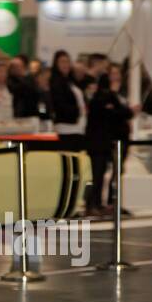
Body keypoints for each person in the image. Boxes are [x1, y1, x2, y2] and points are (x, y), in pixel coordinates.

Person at [83, 70, 134, 216]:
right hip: (101, 142)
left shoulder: (99, 98)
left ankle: (97, 204)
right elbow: (124, 113)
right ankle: (95, 204)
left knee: (99, 175)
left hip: (101, 141)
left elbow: (122, 113)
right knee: (99, 174)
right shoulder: (106, 97)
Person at [48, 49, 87, 146]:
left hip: (77, 125)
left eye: (68, 61)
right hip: (66, 127)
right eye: (62, 62)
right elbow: (59, 104)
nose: (66, 64)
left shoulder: (70, 81)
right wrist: (76, 112)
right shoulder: (56, 82)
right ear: (56, 64)